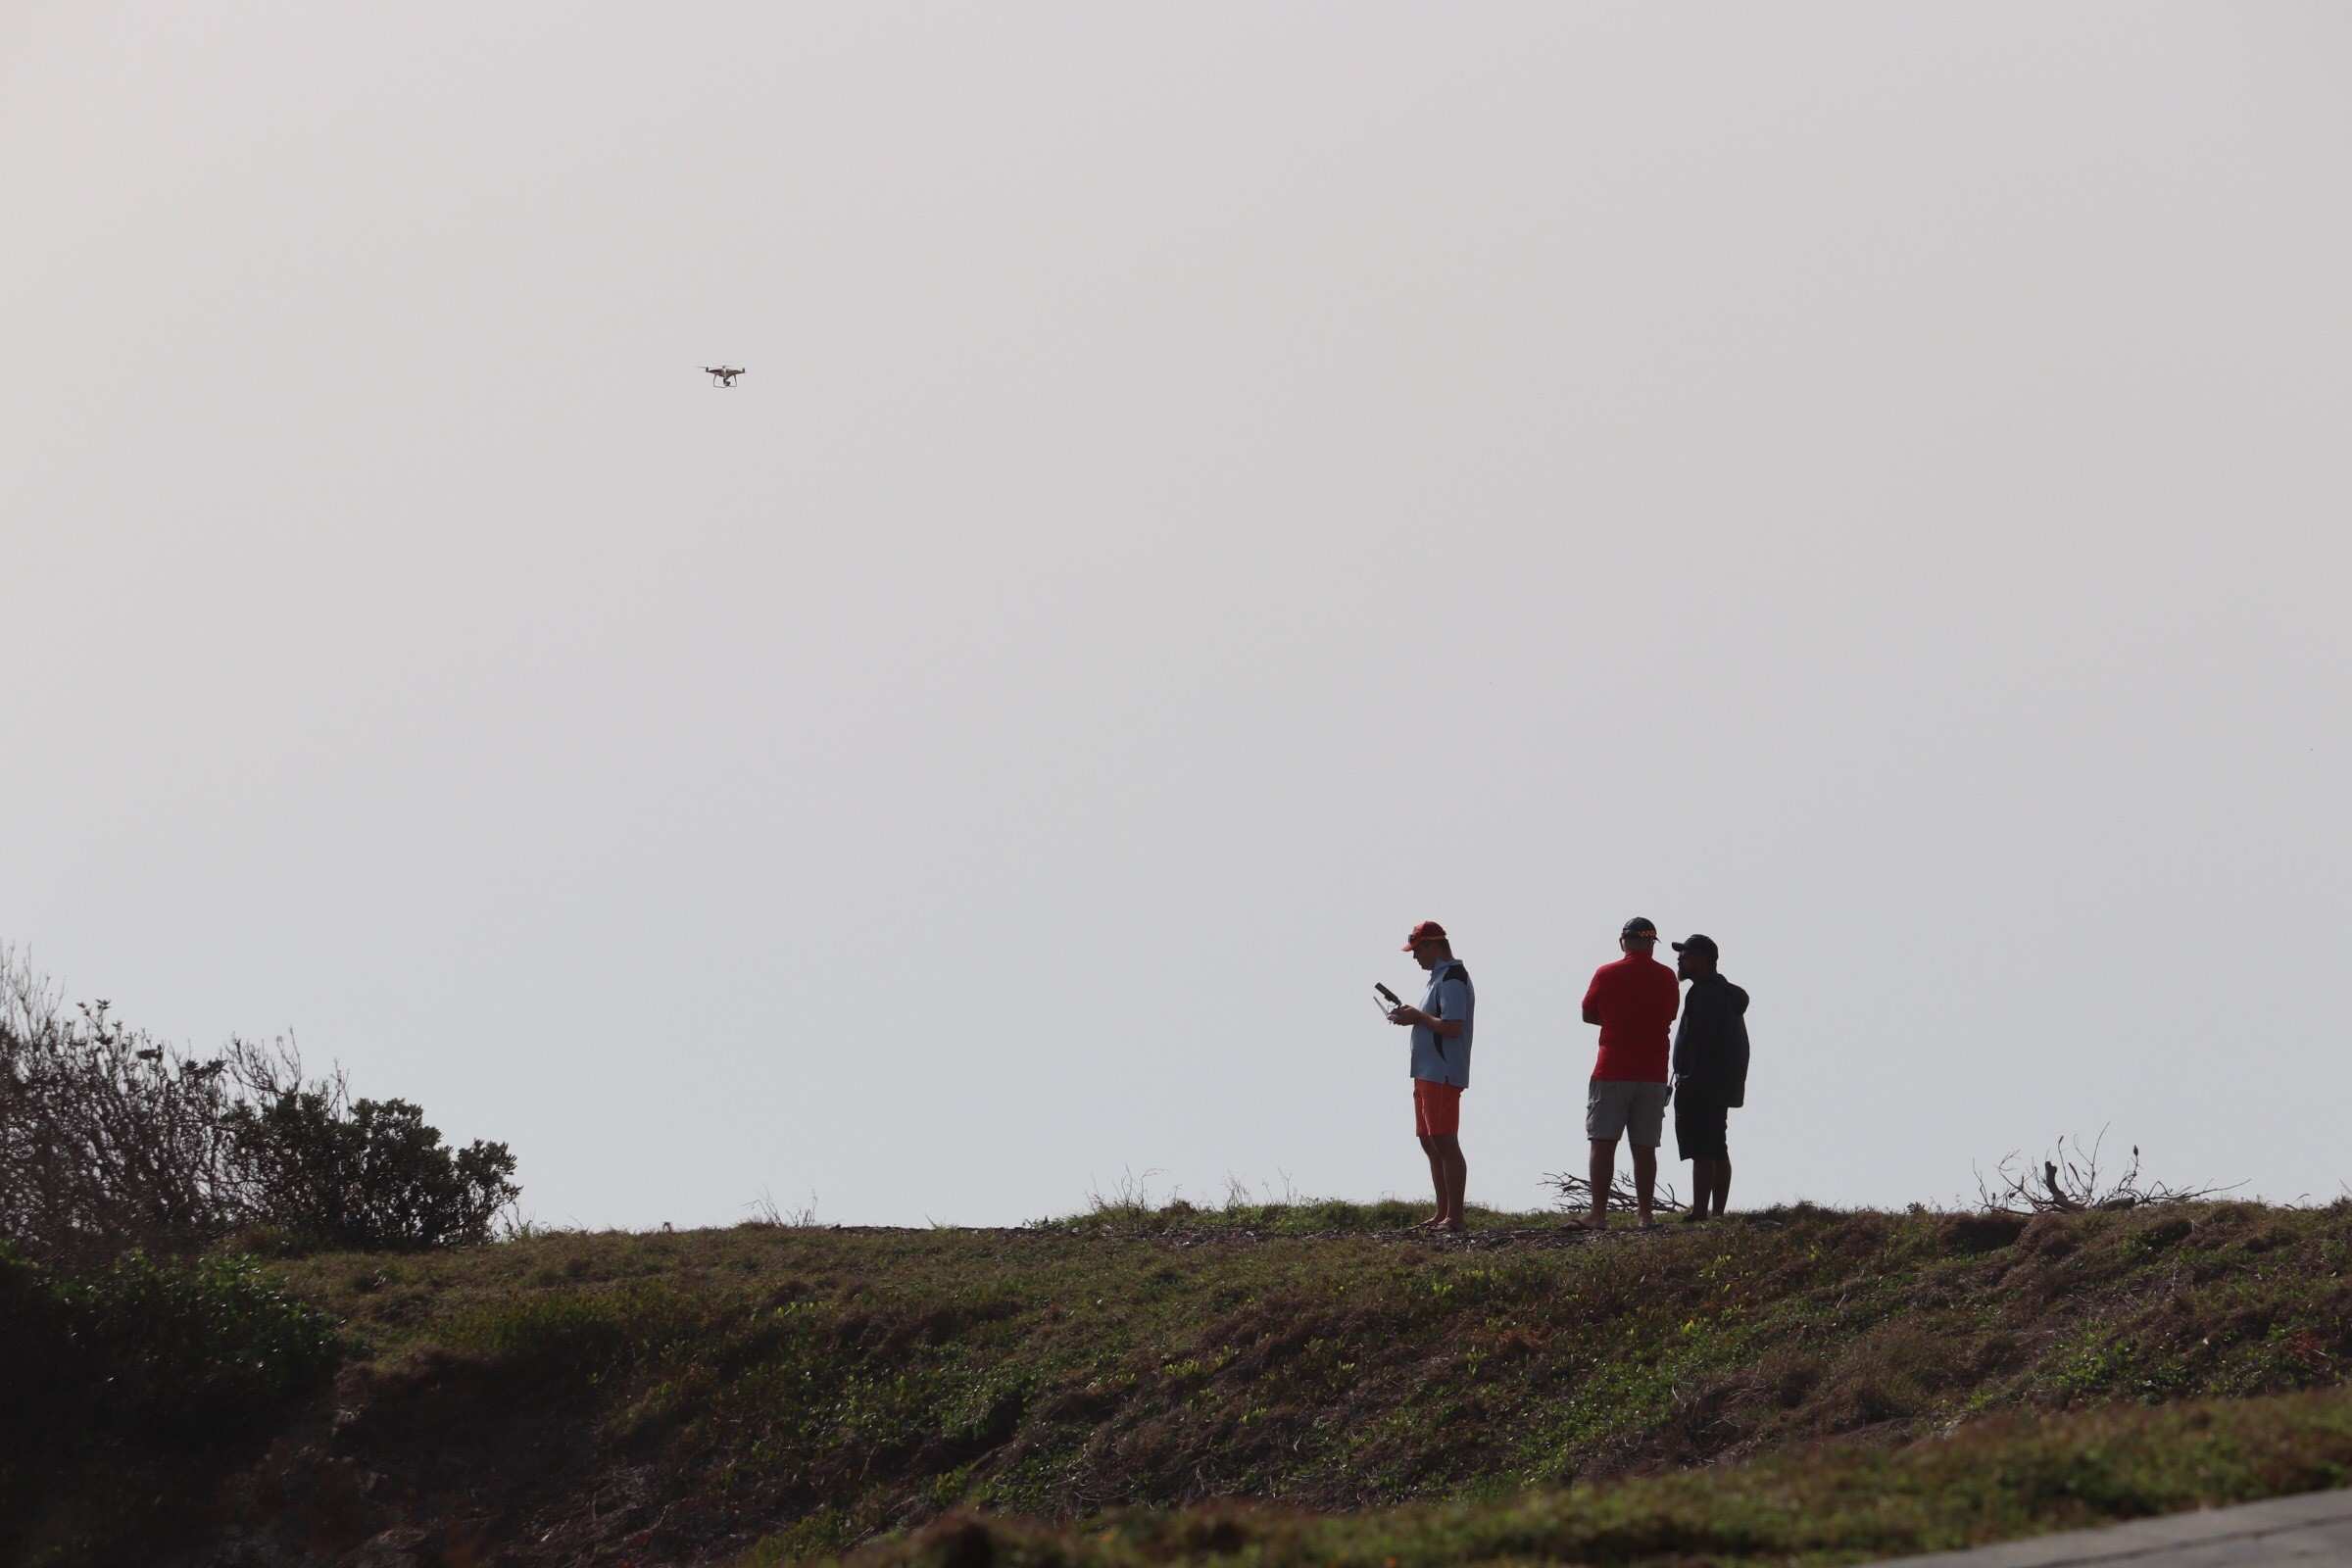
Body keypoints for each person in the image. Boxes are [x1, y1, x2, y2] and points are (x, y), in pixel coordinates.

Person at [1575, 916, 1681, 1228]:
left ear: (1623, 942)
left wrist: (1615, 1020)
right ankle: (1645, 1214)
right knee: (1645, 1147)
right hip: (1652, 1072)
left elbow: (1587, 1013)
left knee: (1602, 1142)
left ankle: (1598, 1214)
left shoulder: (1606, 973)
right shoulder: (1666, 976)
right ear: (1651, 943)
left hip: (1612, 1069)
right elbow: (1670, 1015)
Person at [1386, 919, 1474, 1233]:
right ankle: (1442, 1213)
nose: (1414, 957)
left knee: (1445, 1141)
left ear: (1433, 945)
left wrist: (1418, 1017)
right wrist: (1413, 1016)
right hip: (1426, 1072)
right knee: (1429, 1142)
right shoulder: (1437, 978)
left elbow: (1452, 1026)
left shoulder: (1452, 977)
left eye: (1417, 950)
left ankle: (1455, 1217)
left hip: (1443, 1072)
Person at [1670, 934, 1749, 1221]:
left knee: (1703, 1149)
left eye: (1686, 954)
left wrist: (1690, 1079)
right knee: (1716, 1146)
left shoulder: (1706, 994)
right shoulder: (1719, 992)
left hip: (1702, 1085)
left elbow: (1703, 1043)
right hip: (1717, 1085)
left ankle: (1702, 1212)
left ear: (1704, 959)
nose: (1680, 959)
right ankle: (1715, 1212)